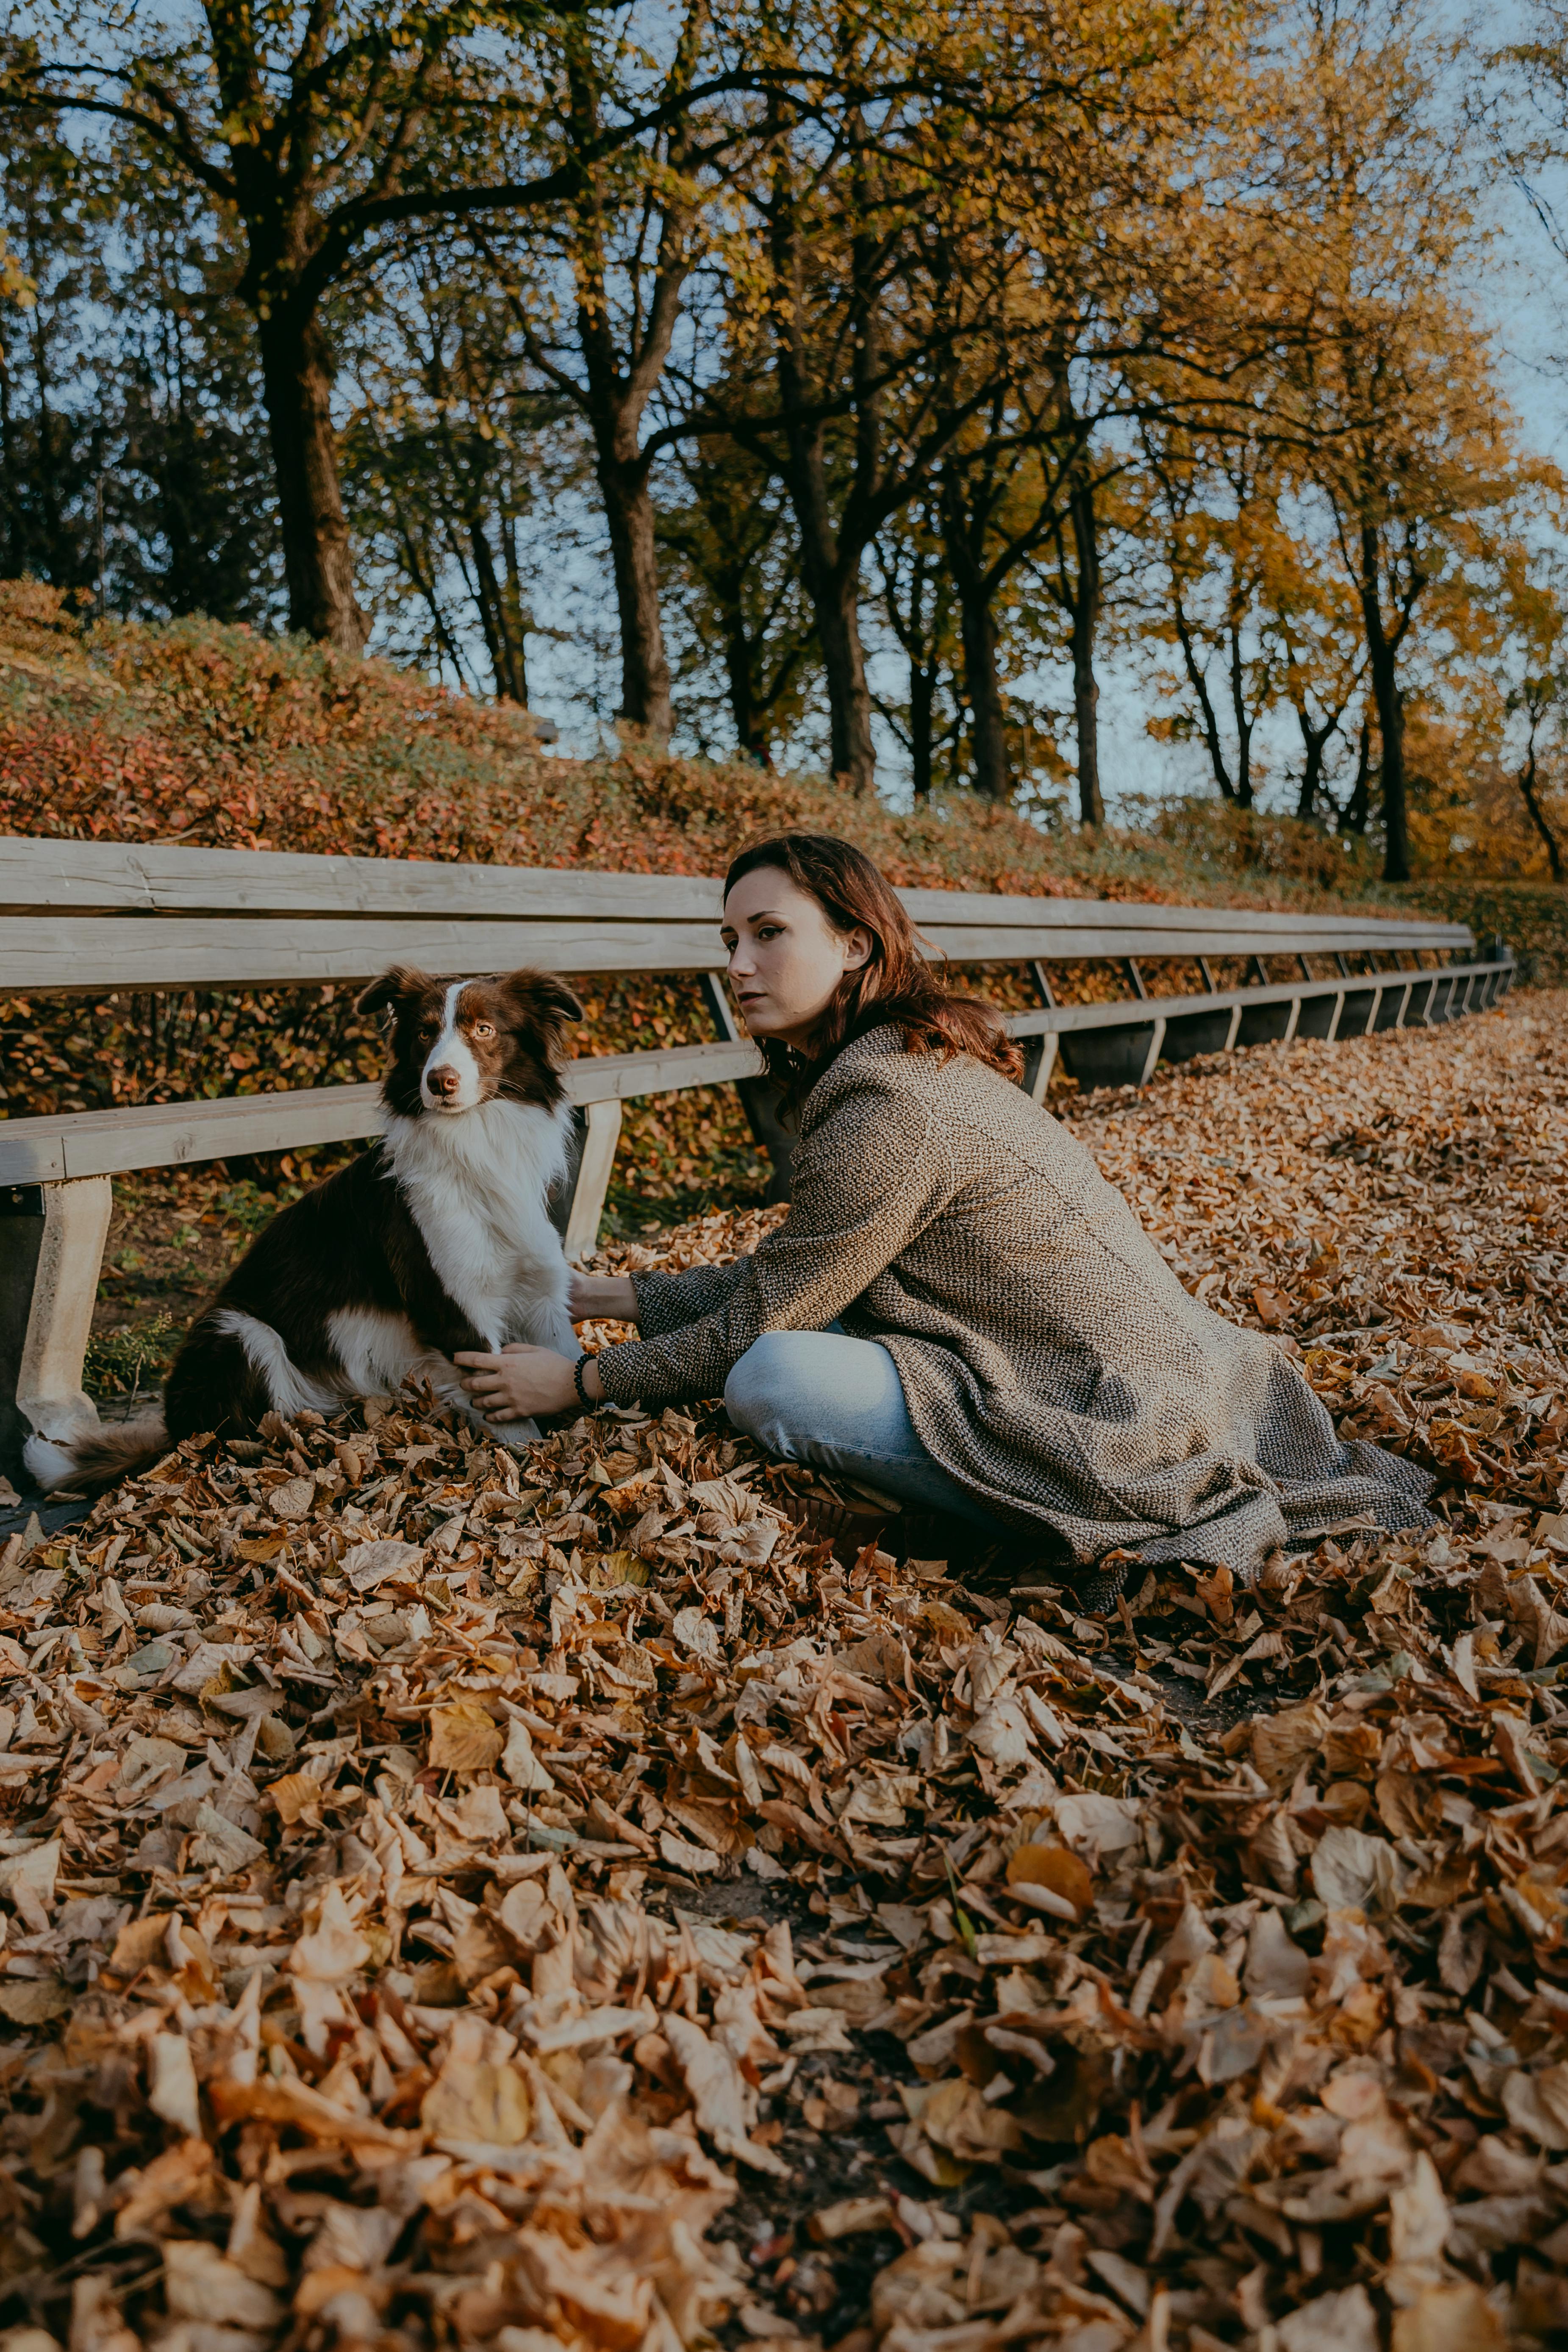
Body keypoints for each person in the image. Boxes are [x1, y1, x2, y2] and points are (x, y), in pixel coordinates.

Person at [456, 831, 1432, 1590]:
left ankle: (1016, 1519)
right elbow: (811, 1270)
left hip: (1114, 1422)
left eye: (768, 933)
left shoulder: (888, 1105)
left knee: (773, 1375)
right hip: (1152, 1376)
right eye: (729, 940)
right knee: (803, 1328)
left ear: (854, 943)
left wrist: (580, 1384)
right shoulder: (899, 1061)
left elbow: (772, 1317)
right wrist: (616, 1292)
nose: (739, 963)